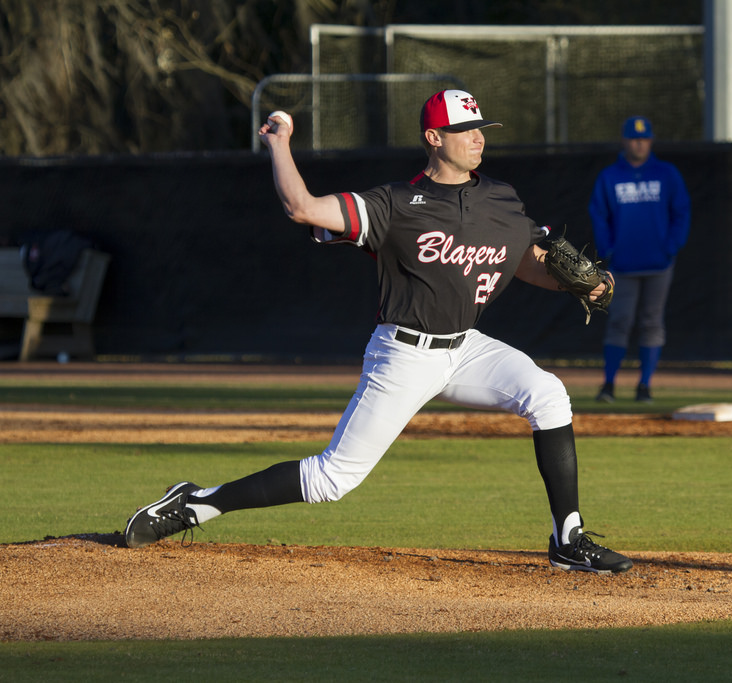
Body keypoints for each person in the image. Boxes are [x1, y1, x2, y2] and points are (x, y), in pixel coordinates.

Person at [124, 89, 633, 575]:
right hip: (404, 354)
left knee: (548, 394)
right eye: (466, 129)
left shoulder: (501, 199)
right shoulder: (394, 204)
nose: (479, 137)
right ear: (434, 137)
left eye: (482, 128)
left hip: (466, 347)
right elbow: (301, 206)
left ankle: (567, 541)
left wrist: (585, 286)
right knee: (331, 479)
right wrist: (279, 144)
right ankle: (198, 502)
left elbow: (530, 260)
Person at [588, 116, 691, 403]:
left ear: (651, 141)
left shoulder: (666, 173)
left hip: (658, 264)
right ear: (624, 141)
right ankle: (608, 385)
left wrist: (670, 247)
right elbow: (599, 215)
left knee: (652, 323)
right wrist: (608, 250)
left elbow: (681, 212)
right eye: (634, 138)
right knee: (619, 322)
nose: (639, 143)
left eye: (644, 139)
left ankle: (644, 385)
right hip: (622, 266)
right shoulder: (610, 176)